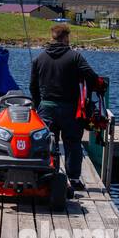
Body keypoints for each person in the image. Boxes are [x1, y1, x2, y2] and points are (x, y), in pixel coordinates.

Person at [29, 23, 107, 189]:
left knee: (48, 142)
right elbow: (92, 77)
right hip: (70, 108)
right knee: (72, 143)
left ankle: (49, 174)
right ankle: (74, 179)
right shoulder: (75, 57)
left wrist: (37, 105)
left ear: (52, 37)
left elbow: (32, 86)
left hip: (46, 106)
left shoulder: (39, 58)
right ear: (65, 37)